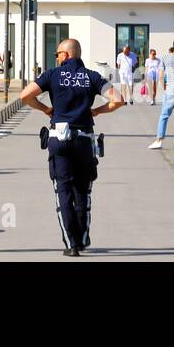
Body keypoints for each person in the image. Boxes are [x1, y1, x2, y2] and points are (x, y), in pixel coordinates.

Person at [20, 38, 124, 256]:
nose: (56, 57)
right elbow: (118, 99)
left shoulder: (52, 75)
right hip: (84, 140)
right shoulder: (92, 76)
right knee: (83, 190)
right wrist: (97, 111)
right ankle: (84, 237)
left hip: (59, 138)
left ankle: (71, 243)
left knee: (63, 191)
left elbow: (25, 95)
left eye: (58, 53)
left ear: (66, 55)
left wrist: (45, 109)